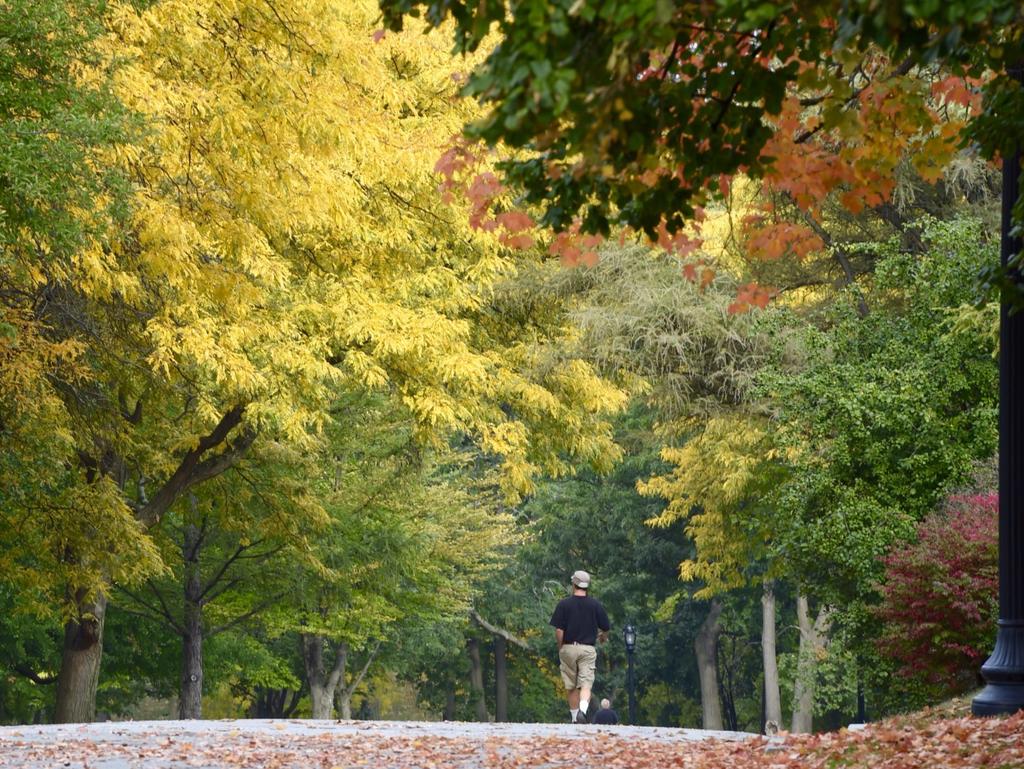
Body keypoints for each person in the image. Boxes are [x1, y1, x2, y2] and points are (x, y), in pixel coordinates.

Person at [549, 569, 611, 724]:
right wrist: (603, 638)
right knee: (585, 684)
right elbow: (606, 627)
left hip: (568, 648)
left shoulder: (564, 604)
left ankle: (574, 718)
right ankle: (583, 711)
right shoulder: (595, 605)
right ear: (587, 586)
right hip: (587, 649)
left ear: (573, 584)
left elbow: (559, 630)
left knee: (571, 686)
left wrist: (561, 647)